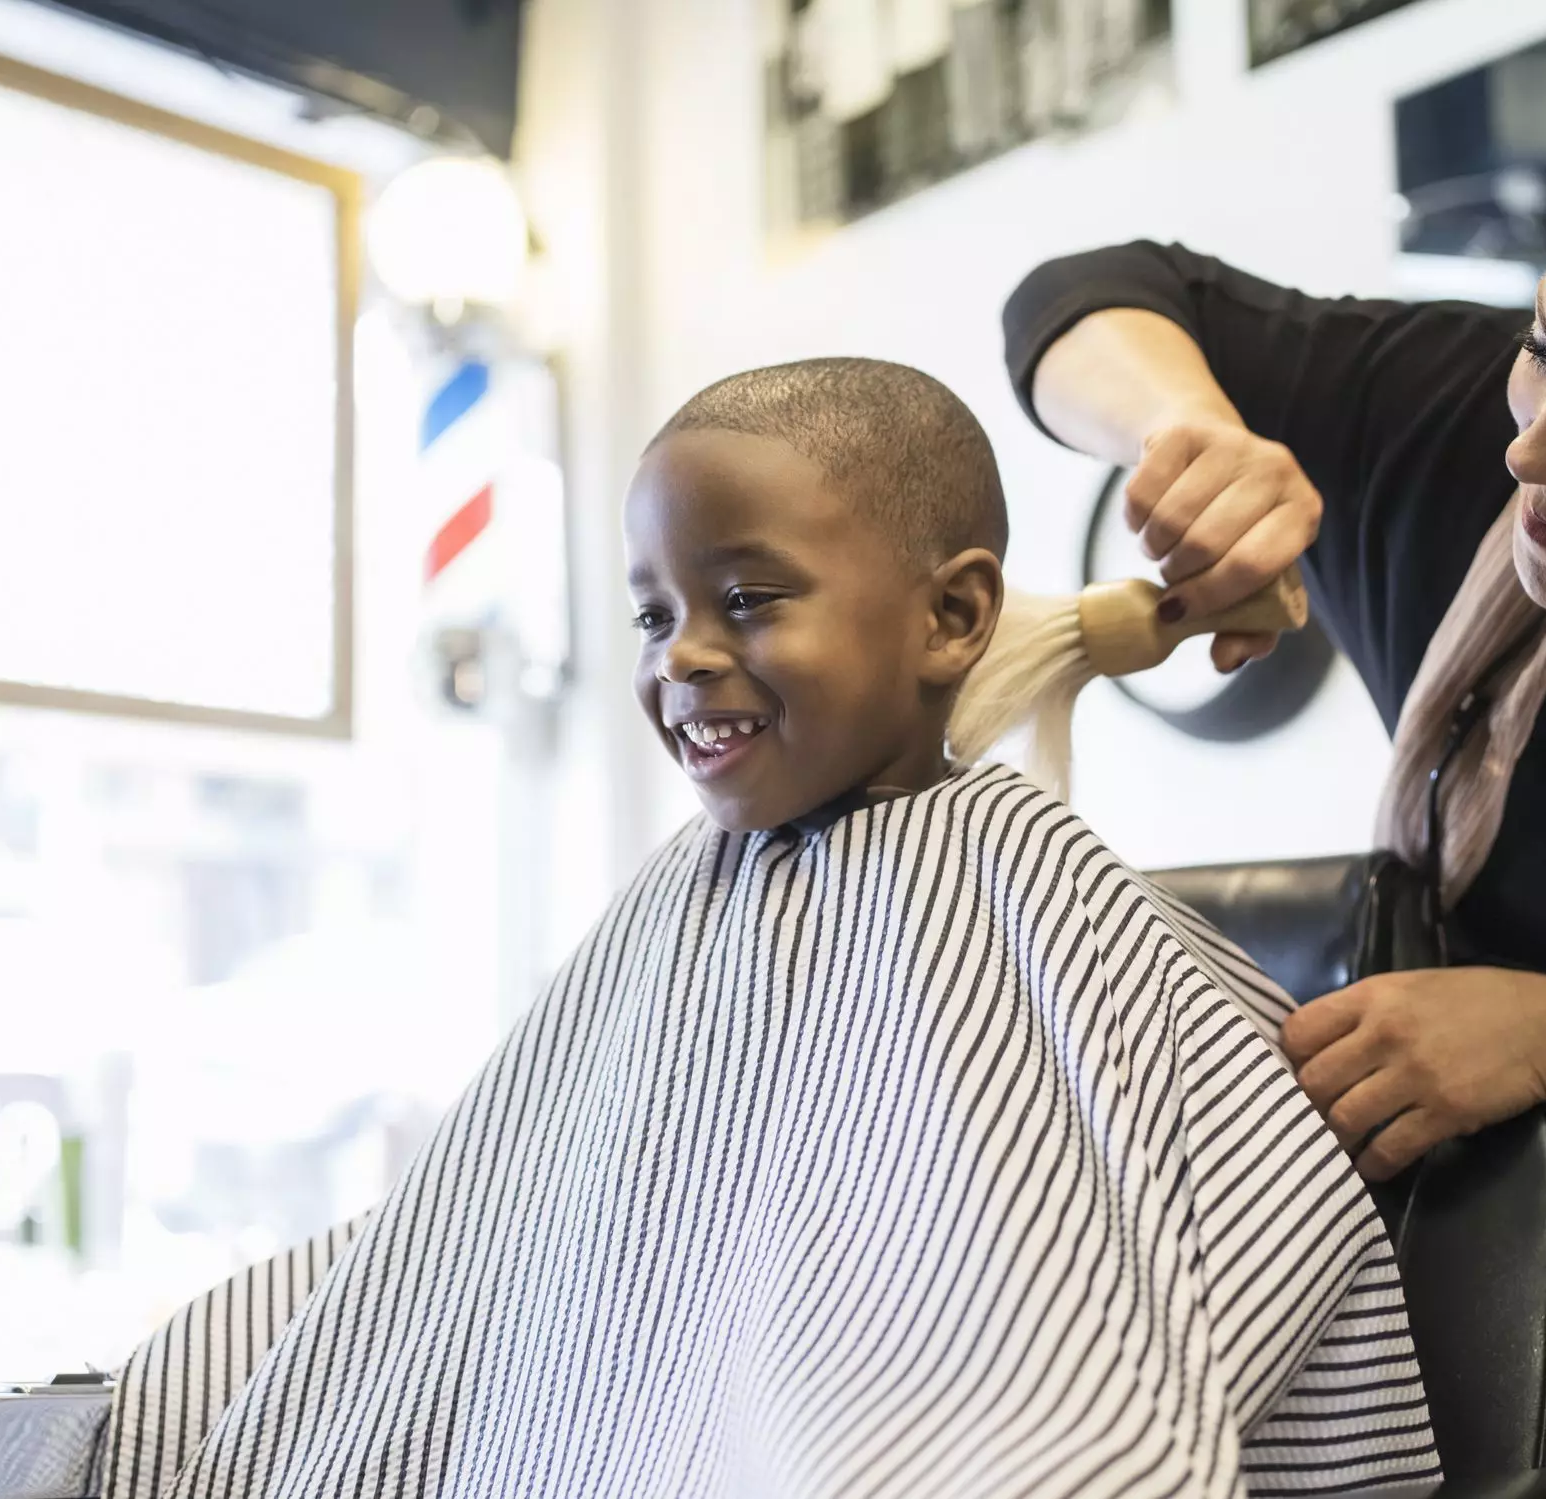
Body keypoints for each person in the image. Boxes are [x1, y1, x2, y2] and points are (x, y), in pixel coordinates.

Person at [96, 359, 1439, 1499]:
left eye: (744, 599)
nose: (678, 653)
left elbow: (1163, 1257)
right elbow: (506, 1215)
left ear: (954, 615)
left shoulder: (1032, 883)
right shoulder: (679, 898)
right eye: (652, 612)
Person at [1000, 9, 1546, 1493]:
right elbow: (1085, 295)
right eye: (1544, 349)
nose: (1532, 456)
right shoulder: (1449, 451)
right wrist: (1191, 442)